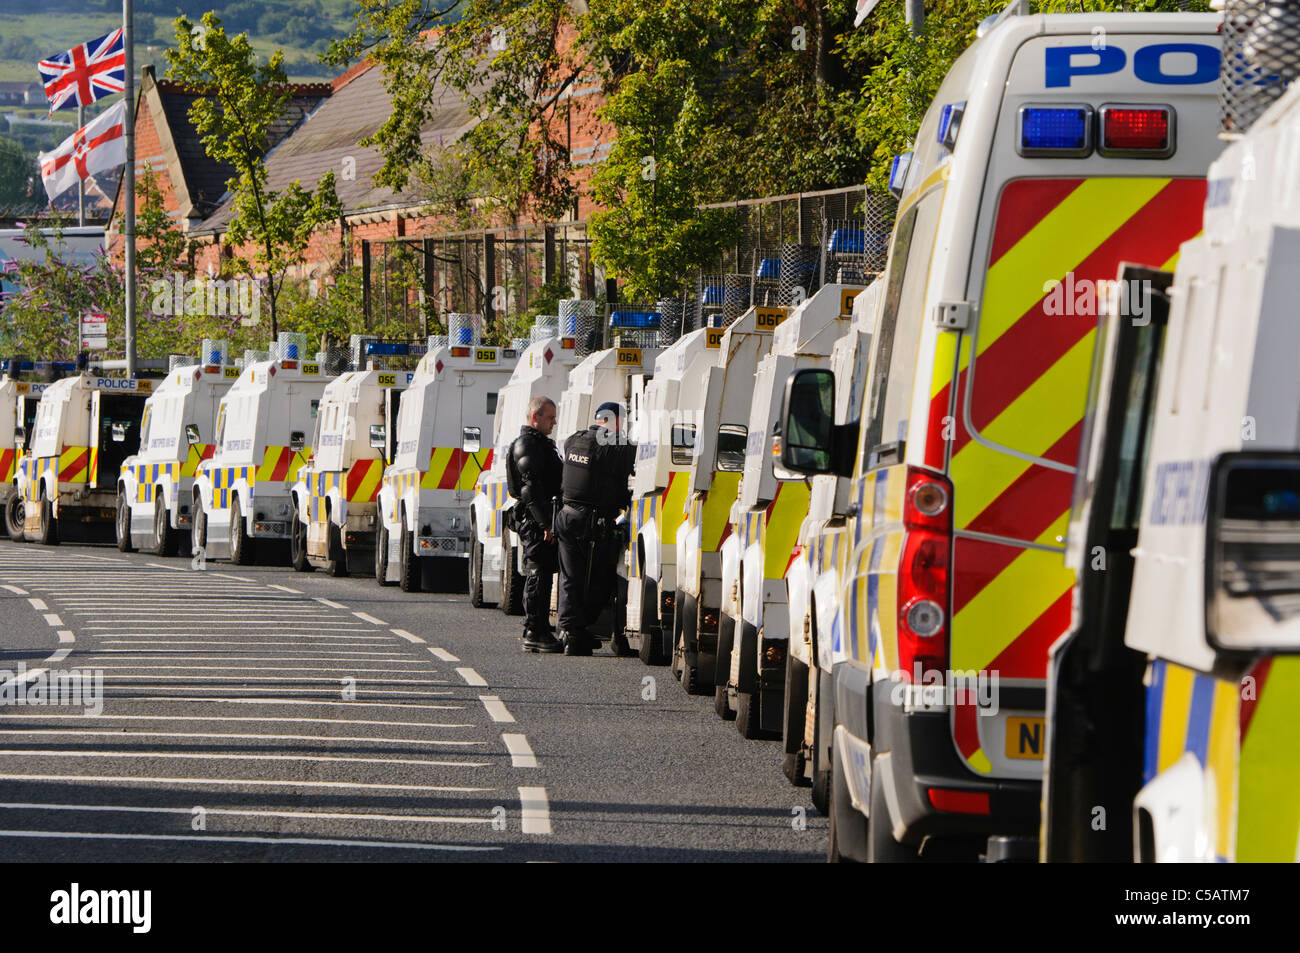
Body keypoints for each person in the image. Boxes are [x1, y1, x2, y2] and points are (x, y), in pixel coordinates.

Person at [555, 401, 636, 656]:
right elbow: (637, 458)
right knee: (596, 580)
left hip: (566, 517)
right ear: (615, 421)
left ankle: (570, 631)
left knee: (571, 578)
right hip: (591, 524)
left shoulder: (573, 440)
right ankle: (577, 632)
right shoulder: (612, 445)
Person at [507, 395, 564, 653]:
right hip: (534, 520)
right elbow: (530, 490)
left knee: (544, 572)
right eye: (550, 417)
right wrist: (546, 524)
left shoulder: (539, 444)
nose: (554, 422)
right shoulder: (526, 445)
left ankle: (540, 628)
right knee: (538, 572)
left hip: (541, 517)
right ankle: (534, 630)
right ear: (535, 417)